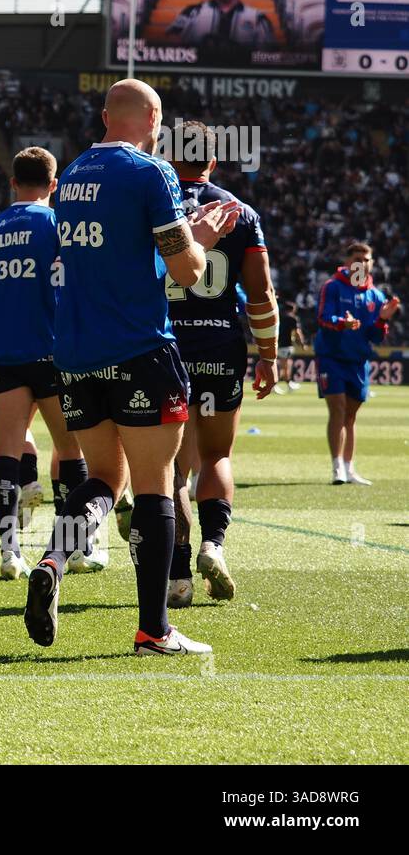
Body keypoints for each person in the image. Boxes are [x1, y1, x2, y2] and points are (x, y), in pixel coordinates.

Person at [23, 78, 238, 657]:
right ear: (154, 120)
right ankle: (154, 629)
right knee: (154, 486)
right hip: (140, 346)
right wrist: (202, 237)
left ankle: (53, 559)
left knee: (101, 478)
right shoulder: (153, 173)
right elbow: (187, 271)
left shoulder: (68, 178)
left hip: (75, 352)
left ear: (104, 116)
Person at [164, 122, 278, 608]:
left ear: (169, 158)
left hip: (165, 346)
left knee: (169, 468)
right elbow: (261, 293)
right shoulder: (240, 211)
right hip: (221, 347)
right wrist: (269, 356)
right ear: (214, 160)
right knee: (216, 457)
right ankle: (214, 545)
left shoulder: (156, 206)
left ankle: (178, 577)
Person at [0, 146, 89, 580]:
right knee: (70, 450)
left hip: (3, 355)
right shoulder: (60, 225)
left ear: (12, 182)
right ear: (54, 186)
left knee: (7, 450)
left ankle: (9, 551)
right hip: (55, 353)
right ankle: (73, 549)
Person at [314, 242, 400, 486]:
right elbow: (322, 318)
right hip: (331, 356)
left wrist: (382, 320)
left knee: (350, 417)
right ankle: (337, 467)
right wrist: (343, 322)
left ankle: (350, 468)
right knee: (338, 409)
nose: (362, 263)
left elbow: (375, 336)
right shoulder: (333, 287)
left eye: (366, 260)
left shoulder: (376, 295)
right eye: (357, 259)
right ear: (348, 262)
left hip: (358, 360)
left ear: (371, 264)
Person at [276, 300, 305, 393]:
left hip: (277, 344)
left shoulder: (279, 317)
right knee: (285, 366)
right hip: (286, 345)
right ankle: (277, 385)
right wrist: (302, 344)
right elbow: (297, 333)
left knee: (283, 365)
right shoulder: (292, 318)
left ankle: (288, 384)